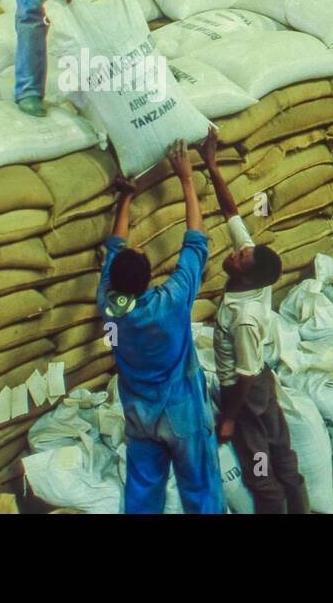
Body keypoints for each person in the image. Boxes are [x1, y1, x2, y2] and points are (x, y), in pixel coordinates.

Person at [98, 139, 224, 514]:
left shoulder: (110, 305)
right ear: (149, 277)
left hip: (140, 415)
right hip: (182, 412)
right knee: (201, 488)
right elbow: (196, 242)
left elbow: (114, 249)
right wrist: (186, 179)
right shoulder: (171, 301)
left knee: (142, 493)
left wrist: (126, 198)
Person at [199, 128, 309, 514]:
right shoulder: (254, 274)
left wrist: (228, 418)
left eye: (240, 258)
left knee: (260, 470)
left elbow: (244, 374)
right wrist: (211, 165)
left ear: (247, 274)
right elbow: (232, 213)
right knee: (283, 456)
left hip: (245, 396)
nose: (234, 255)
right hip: (262, 384)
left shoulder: (244, 317)